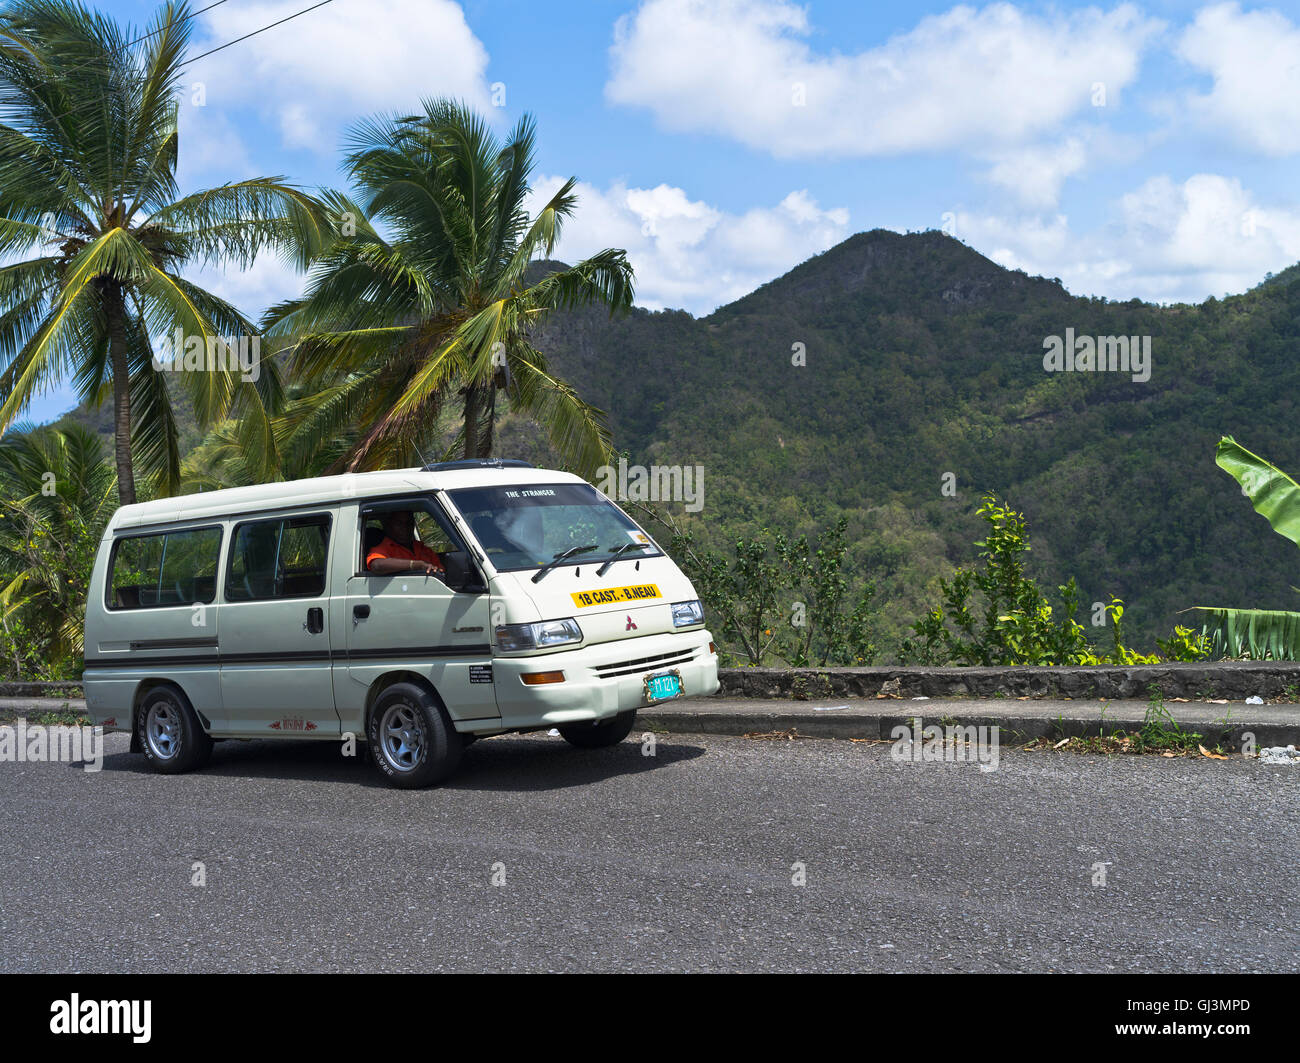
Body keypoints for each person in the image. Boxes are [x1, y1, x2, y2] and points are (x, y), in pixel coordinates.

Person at [367, 510, 445, 576]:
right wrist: (417, 565)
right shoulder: (384, 547)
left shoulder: (422, 548)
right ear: (389, 526)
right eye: (399, 523)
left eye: (409, 523)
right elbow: (377, 565)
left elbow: (441, 573)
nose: (405, 528)